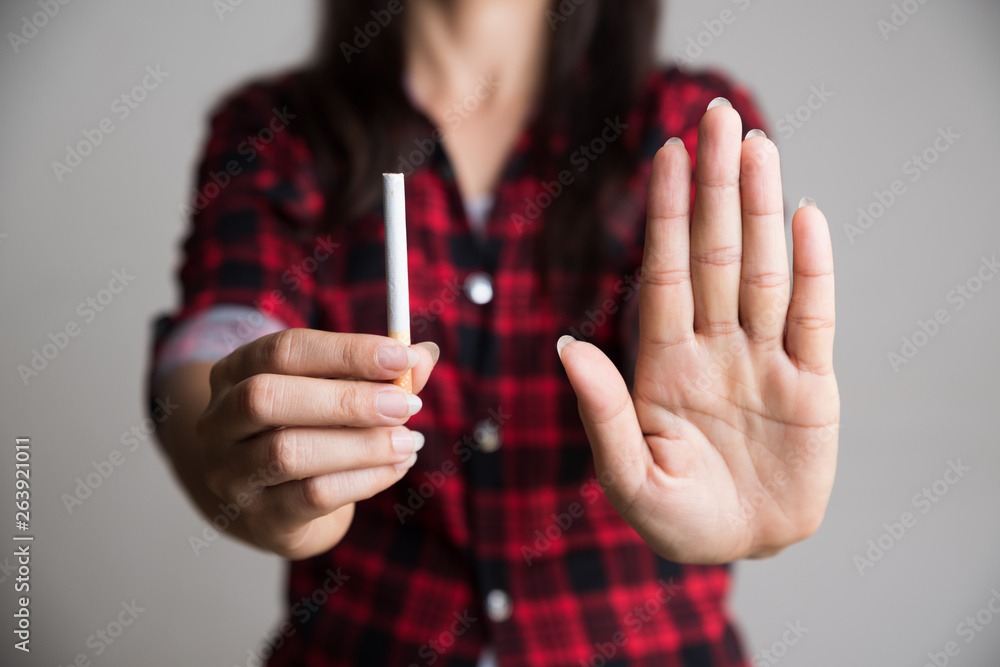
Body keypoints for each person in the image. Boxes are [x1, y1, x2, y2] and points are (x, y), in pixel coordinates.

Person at [148, 1, 839, 665]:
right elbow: (218, 334)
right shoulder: (277, 130)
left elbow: (695, 337)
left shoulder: (678, 125)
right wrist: (251, 462)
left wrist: (744, 502)